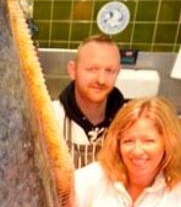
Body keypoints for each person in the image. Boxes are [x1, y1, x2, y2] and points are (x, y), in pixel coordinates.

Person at [51, 35, 127, 169]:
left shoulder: (128, 121)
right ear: (72, 70)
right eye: (92, 69)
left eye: (109, 71)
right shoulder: (50, 118)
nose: (101, 80)